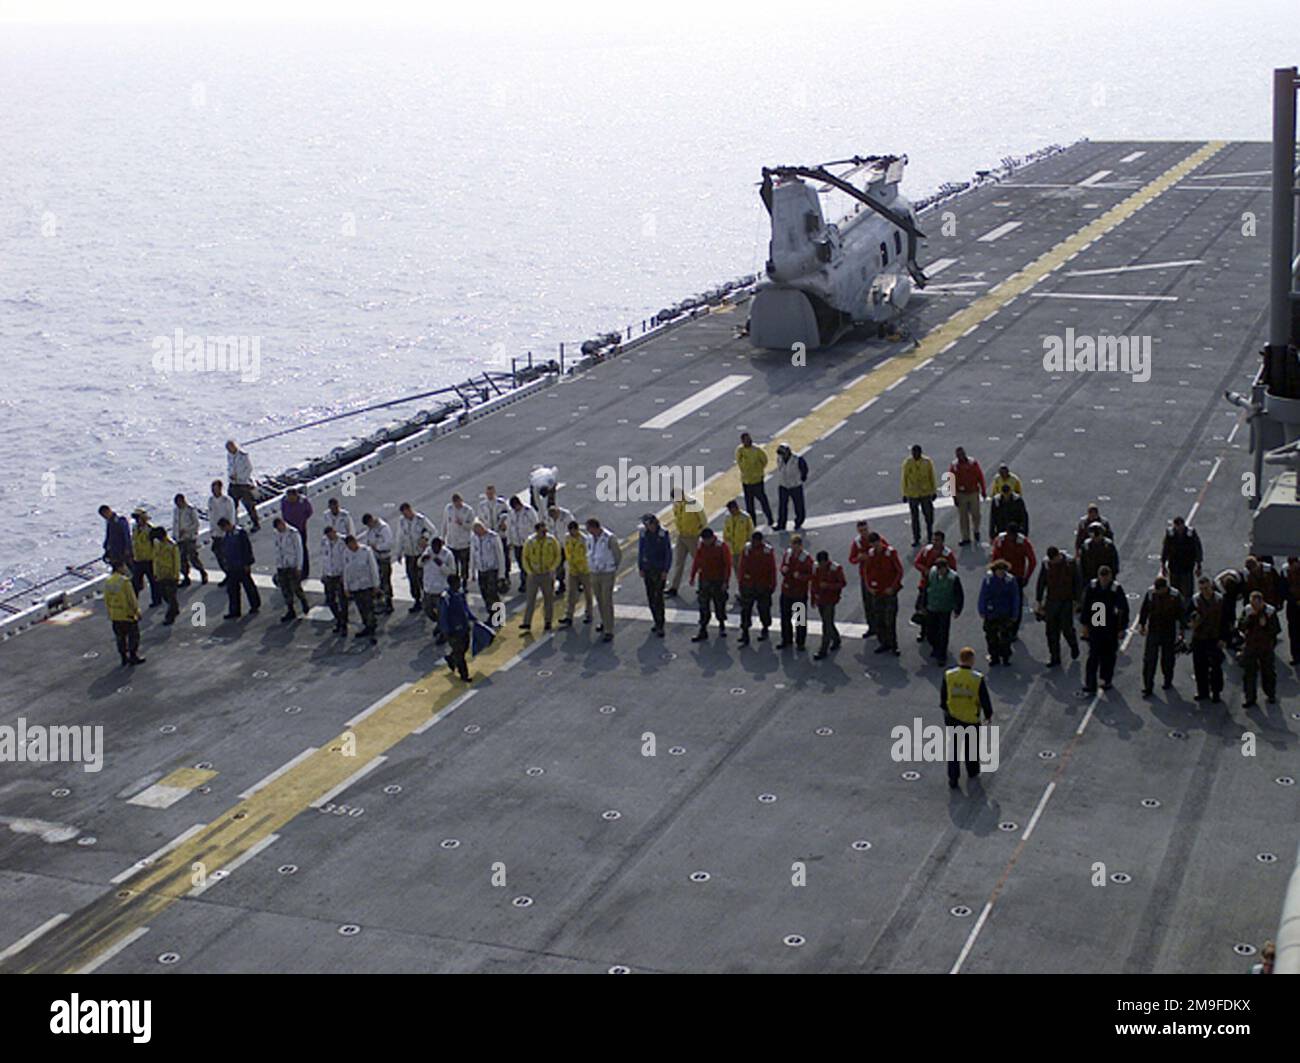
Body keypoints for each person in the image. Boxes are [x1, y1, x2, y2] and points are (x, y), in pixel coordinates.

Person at [941, 647, 994, 789]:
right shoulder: (977, 678)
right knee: (971, 747)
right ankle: (972, 771)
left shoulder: (949, 675)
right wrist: (988, 715)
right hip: (971, 718)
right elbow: (984, 699)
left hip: (953, 717)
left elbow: (943, 697)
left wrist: (947, 711)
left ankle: (953, 778)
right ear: (971, 660)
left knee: (954, 748)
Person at [1078, 565, 1128, 695]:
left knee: (1109, 655)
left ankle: (1106, 680)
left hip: (1110, 625)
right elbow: (1085, 606)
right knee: (1093, 656)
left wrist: (1122, 628)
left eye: (1106, 578)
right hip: (1096, 622)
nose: (1104, 581)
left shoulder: (1115, 588)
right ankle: (1090, 684)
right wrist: (1084, 625)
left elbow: (1123, 609)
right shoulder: (1093, 587)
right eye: (1102, 578)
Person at [1137, 576, 1185, 696]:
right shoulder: (1150, 593)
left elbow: (1182, 613)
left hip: (1169, 631)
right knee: (1149, 660)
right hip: (1154, 629)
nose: (1157, 592)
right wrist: (1142, 624)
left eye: (1160, 590)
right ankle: (1148, 686)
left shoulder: (1175, 595)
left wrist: (1182, 631)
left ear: (1165, 588)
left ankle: (1168, 680)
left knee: (1168, 659)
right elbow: (1144, 610)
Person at [1034, 546, 1080, 666]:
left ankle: (1073, 645)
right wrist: (1039, 601)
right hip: (1052, 601)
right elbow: (1041, 582)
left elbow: (1077, 582)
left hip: (1066, 601)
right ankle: (1055, 657)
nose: (1052, 562)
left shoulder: (1070, 563)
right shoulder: (1046, 564)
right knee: (1051, 631)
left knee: (1067, 628)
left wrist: (1077, 601)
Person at [991, 522, 1036, 640]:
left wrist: (1026, 577)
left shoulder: (1023, 542)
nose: (1011, 537)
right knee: (1001, 602)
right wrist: (995, 574)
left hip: (1017, 578)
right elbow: (995, 558)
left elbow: (1032, 560)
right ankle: (1002, 628)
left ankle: (1013, 630)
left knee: (1016, 604)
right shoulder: (1000, 540)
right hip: (1003, 576)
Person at [862, 532, 904, 654]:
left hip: (889, 592)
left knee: (890, 619)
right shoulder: (870, 554)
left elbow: (899, 571)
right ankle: (883, 642)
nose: (875, 546)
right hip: (877, 592)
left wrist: (893, 587)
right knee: (878, 618)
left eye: (876, 543)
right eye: (873, 544)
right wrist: (869, 586)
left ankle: (893, 644)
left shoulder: (890, 553)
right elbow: (866, 572)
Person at [1238, 590, 1281, 707]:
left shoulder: (1270, 612)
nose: (1255, 607)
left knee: (1268, 672)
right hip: (1251, 645)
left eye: (1257, 604)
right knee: (1249, 673)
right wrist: (1249, 620)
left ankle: (1270, 694)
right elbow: (1240, 626)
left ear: (1262, 602)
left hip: (1265, 646)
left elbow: (1276, 630)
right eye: (1253, 604)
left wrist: (1266, 625)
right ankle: (1250, 698)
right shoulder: (1248, 611)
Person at [1188, 575, 1227, 703]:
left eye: (1207, 588)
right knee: (1200, 667)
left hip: (1214, 638)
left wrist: (1223, 638)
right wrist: (1192, 622)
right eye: (1202, 588)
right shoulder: (1195, 600)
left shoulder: (1220, 599)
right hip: (1199, 638)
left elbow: (1226, 620)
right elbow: (1188, 617)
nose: (1205, 591)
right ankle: (1202, 691)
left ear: (1211, 586)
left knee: (1216, 667)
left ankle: (1216, 692)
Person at [913, 531, 957, 642]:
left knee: (937, 611)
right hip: (925, 584)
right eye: (933, 539)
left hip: (940, 588)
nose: (934, 542)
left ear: (942, 541)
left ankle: (935, 633)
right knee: (922, 608)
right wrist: (925, 570)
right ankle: (923, 632)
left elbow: (953, 571)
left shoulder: (947, 554)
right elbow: (917, 562)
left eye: (937, 540)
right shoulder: (927, 550)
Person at [688, 528, 732, 641]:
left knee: (720, 604)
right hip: (704, 580)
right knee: (703, 606)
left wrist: (726, 582)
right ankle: (703, 629)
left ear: (712, 537)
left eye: (707, 540)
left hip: (718, 580)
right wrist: (692, 576)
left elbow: (727, 565)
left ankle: (722, 625)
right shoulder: (701, 545)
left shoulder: (721, 546)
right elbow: (697, 561)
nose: (705, 542)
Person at [978, 559, 1020, 666]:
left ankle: (1005, 657)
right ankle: (994, 657)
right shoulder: (988, 579)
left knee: (1005, 637)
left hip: (1005, 613)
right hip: (991, 613)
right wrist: (982, 610)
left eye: (1003, 571)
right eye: (999, 571)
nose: (1001, 573)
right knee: (991, 637)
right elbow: (983, 595)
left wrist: (1015, 614)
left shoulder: (1010, 580)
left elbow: (1015, 598)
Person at [737, 530, 776, 645]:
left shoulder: (767, 551)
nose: (754, 543)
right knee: (745, 610)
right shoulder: (747, 549)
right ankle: (745, 632)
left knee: (764, 609)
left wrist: (772, 585)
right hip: (748, 585)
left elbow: (772, 569)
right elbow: (742, 567)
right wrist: (741, 582)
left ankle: (765, 628)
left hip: (763, 585)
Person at [216, 518, 260, 620]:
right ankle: (234, 610)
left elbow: (247, 548)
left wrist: (247, 563)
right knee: (232, 590)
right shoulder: (226, 536)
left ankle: (255, 605)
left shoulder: (240, 533)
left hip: (241, 564)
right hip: (232, 566)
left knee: (249, 587)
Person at [922, 556, 963, 662]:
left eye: (942, 569)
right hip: (932, 606)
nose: (940, 572)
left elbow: (959, 594)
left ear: (946, 568)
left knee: (943, 632)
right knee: (930, 632)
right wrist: (923, 604)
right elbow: (926, 588)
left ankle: (942, 655)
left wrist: (958, 609)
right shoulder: (932, 573)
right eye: (938, 569)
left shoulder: (953, 578)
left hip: (945, 608)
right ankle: (935, 647)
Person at [586, 518, 622, 641]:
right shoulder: (590, 538)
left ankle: (609, 629)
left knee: (607, 599)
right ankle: (604, 620)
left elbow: (618, 555)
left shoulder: (609, 538)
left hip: (607, 572)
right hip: (595, 572)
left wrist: (612, 566)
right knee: (599, 599)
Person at [667, 487, 706, 598]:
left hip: (693, 536)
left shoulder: (692, 502)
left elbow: (703, 519)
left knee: (699, 563)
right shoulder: (677, 504)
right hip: (682, 535)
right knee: (679, 563)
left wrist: (701, 533)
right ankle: (674, 587)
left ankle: (703, 586)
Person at [104, 560, 145, 666]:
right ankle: (133, 656)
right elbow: (131, 599)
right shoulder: (124, 581)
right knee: (133, 636)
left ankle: (123, 658)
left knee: (120, 637)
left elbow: (107, 600)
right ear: (119, 567)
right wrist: (137, 611)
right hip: (126, 614)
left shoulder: (108, 581)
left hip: (115, 614)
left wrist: (110, 612)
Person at [638, 513, 673, 637]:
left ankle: (660, 624)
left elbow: (668, 553)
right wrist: (641, 567)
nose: (647, 527)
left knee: (658, 598)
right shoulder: (643, 533)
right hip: (648, 568)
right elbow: (641, 550)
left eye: (648, 524)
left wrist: (665, 570)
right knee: (651, 597)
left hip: (658, 570)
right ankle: (655, 620)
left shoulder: (663, 534)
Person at [397, 503, 436, 611]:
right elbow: (400, 536)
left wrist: (425, 538)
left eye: (406, 513)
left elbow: (433, 531)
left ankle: (428, 601)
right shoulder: (402, 521)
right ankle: (417, 600)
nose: (405, 516)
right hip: (409, 554)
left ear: (410, 510)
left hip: (420, 554)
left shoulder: (421, 519)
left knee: (423, 578)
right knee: (412, 579)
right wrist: (398, 552)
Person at [777, 534, 813, 650]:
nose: (794, 549)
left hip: (799, 592)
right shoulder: (788, 555)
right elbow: (783, 566)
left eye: (796, 546)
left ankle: (800, 642)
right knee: (785, 617)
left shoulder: (806, 558)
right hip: (787, 590)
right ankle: (786, 639)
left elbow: (811, 575)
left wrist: (801, 577)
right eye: (793, 546)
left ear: (801, 546)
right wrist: (783, 570)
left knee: (800, 619)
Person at [342, 534, 380, 642]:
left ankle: (372, 630)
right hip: (355, 586)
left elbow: (373, 568)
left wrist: (376, 584)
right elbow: (346, 570)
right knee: (361, 608)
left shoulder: (366, 551)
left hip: (366, 585)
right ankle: (367, 625)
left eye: (351, 544)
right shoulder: (346, 553)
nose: (351, 547)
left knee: (369, 608)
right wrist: (346, 587)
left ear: (355, 542)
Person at [438, 574, 476, 682]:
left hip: (463, 626)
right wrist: (445, 630)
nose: (458, 585)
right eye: (456, 583)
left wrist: (472, 618)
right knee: (459, 652)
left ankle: (451, 658)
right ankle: (464, 674)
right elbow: (443, 615)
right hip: (453, 630)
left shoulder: (460, 594)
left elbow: (465, 608)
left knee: (464, 647)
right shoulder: (446, 597)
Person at [810, 550, 847, 659]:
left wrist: (829, 585)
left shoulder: (835, 568)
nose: (821, 565)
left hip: (831, 599)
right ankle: (836, 639)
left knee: (826, 624)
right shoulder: (816, 568)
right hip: (820, 598)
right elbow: (813, 583)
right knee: (828, 621)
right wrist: (813, 598)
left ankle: (823, 649)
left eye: (823, 563)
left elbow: (842, 583)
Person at [272, 517, 309, 622]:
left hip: (292, 565)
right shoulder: (276, 534)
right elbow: (277, 549)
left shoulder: (293, 533)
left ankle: (304, 603)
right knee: (285, 589)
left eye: (279, 527)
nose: (279, 530)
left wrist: (299, 566)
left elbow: (299, 550)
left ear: (283, 524)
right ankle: (290, 610)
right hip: (282, 565)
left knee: (296, 588)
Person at [419, 535, 456, 641]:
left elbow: (452, 572)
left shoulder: (447, 554)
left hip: (441, 589)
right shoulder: (428, 551)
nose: (435, 550)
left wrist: (441, 565)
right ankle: (440, 623)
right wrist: (422, 560)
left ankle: (444, 633)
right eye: (433, 548)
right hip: (428, 587)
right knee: (427, 610)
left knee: (442, 613)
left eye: (437, 548)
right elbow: (419, 564)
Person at [900, 443, 937, 547]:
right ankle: (916, 538)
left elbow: (932, 476)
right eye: (913, 452)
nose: (915, 454)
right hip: (913, 494)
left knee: (929, 516)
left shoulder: (927, 462)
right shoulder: (907, 463)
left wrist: (933, 491)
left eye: (917, 452)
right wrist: (904, 493)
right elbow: (904, 478)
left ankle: (930, 536)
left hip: (926, 493)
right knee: (914, 517)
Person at [949, 447, 987, 545]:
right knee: (963, 517)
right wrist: (954, 497)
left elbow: (980, 476)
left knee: (976, 514)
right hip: (961, 494)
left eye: (962, 454)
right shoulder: (954, 466)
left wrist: (983, 490)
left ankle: (976, 530)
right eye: (958, 455)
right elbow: (951, 481)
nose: (960, 456)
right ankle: (965, 537)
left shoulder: (973, 463)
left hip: (973, 492)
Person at [558, 520, 594, 627]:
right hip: (573, 569)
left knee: (588, 593)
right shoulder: (567, 538)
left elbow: (588, 553)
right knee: (571, 594)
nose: (572, 533)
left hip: (584, 569)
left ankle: (589, 614)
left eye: (574, 531)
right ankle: (569, 616)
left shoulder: (584, 539)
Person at [469, 518, 506, 619]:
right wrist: (472, 572)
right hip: (481, 570)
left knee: (492, 593)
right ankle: (491, 613)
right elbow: (473, 554)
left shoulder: (493, 537)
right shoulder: (474, 538)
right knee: (484, 593)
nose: (477, 534)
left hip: (492, 569)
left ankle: (499, 615)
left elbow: (500, 556)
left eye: (478, 531)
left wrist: (501, 574)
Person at [1160, 516, 1202, 601]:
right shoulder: (1170, 534)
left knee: (1188, 591)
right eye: (1177, 526)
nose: (1179, 529)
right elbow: (1165, 549)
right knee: (1174, 590)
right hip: (1174, 566)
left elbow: (1197, 549)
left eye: (1180, 526)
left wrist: (1199, 565)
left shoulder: (1190, 534)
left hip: (1187, 566)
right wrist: (1163, 565)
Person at [735, 432, 773, 526]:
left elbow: (764, 460)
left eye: (748, 439)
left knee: (763, 501)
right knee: (749, 505)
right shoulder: (740, 450)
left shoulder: (757, 450)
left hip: (757, 480)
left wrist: (758, 470)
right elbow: (739, 461)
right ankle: (753, 523)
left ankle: (770, 518)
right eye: (745, 440)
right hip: (746, 481)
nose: (747, 441)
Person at [360, 513, 395, 613]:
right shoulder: (370, 530)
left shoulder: (383, 528)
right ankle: (380, 602)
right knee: (376, 581)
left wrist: (377, 547)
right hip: (375, 558)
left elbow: (389, 543)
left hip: (384, 558)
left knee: (385, 581)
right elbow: (367, 540)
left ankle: (389, 603)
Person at [171, 493, 207, 586]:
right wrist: (174, 536)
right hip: (180, 538)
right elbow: (175, 524)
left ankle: (202, 572)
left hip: (189, 538)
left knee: (193, 557)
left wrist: (187, 530)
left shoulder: (190, 510)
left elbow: (196, 524)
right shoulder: (176, 511)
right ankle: (186, 577)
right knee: (182, 559)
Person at [848, 520, 875, 638]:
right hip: (865, 575)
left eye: (865, 530)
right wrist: (858, 558)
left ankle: (881, 627)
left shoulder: (875, 539)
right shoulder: (857, 542)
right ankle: (872, 626)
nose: (863, 533)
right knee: (867, 603)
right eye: (861, 531)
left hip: (876, 575)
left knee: (878, 603)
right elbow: (851, 559)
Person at [506, 496, 539, 594]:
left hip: (528, 543)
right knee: (521, 564)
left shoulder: (528, 511)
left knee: (530, 564)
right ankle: (525, 582)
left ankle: (532, 582)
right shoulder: (511, 514)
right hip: (517, 543)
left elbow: (536, 524)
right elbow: (509, 528)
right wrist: (510, 541)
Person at [319, 526, 349, 635]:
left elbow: (347, 559)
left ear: (335, 532)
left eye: (331, 534)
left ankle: (344, 624)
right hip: (329, 574)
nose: (329, 537)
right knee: (330, 600)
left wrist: (345, 575)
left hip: (340, 575)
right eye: (327, 535)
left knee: (342, 601)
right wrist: (323, 573)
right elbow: (324, 557)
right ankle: (339, 619)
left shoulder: (343, 541)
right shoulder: (324, 541)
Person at [149, 526, 182, 625]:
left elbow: (176, 562)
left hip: (170, 574)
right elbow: (156, 559)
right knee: (164, 595)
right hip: (161, 574)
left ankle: (170, 616)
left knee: (171, 596)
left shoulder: (172, 545)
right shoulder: (157, 544)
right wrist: (155, 573)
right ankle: (174, 608)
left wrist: (176, 575)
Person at [225, 439, 260, 531]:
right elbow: (230, 468)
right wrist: (231, 477)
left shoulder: (243, 455)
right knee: (232, 506)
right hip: (233, 484)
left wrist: (240, 478)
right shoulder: (229, 456)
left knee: (249, 505)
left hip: (243, 484)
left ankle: (256, 523)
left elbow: (248, 469)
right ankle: (234, 524)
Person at [479, 485, 511, 582]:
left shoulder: (501, 503)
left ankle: (506, 575)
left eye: (491, 493)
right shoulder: (482, 505)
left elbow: (508, 516)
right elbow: (481, 519)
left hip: (500, 534)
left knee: (504, 555)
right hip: (488, 535)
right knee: (492, 556)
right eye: (488, 493)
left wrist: (504, 524)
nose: (489, 495)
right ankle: (495, 576)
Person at [130, 509, 162, 608]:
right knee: (135, 583)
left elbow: (156, 545)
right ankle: (133, 602)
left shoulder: (150, 530)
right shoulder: (135, 528)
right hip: (138, 559)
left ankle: (157, 600)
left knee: (153, 581)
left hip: (149, 559)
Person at [774, 443, 809, 531]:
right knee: (782, 506)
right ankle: (781, 524)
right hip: (783, 485)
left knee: (798, 506)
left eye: (783, 453)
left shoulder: (797, 459)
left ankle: (798, 522)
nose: (781, 455)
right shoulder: (779, 458)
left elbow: (804, 469)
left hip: (795, 485)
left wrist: (801, 479)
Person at [280, 487, 313, 579]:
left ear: (296, 495)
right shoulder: (284, 501)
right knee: (290, 550)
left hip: (300, 528)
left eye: (291, 497)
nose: (290, 499)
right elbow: (283, 512)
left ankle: (304, 571)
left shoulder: (303, 501)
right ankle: (293, 571)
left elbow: (309, 512)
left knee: (302, 550)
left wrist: (302, 520)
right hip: (289, 530)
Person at [207, 481, 235, 583]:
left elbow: (231, 516)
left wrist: (229, 529)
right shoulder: (210, 501)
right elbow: (211, 516)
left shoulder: (227, 501)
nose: (214, 491)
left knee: (227, 555)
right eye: (212, 489)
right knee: (218, 555)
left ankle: (231, 575)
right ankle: (227, 573)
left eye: (215, 488)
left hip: (225, 532)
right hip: (215, 533)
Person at [443, 494, 475, 583]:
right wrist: (443, 536)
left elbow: (472, 526)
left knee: (464, 565)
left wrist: (463, 523)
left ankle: (464, 582)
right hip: (452, 543)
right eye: (455, 503)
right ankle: (455, 584)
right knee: (453, 566)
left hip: (464, 543)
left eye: (458, 503)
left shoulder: (468, 510)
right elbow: (445, 523)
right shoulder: (448, 509)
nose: (457, 505)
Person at [544, 501, 575, 595]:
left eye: (554, 516)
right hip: (556, 545)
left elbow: (572, 528)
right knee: (559, 565)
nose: (553, 518)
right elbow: (547, 529)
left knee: (573, 564)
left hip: (567, 543)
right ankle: (561, 584)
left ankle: (579, 583)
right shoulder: (548, 517)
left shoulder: (567, 516)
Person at [722, 499, 754, 589]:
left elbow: (750, 532)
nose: (731, 512)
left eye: (732, 510)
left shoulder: (745, 517)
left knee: (744, 569)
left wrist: (749, 546)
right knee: (736, 569)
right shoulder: (728, 517)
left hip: (743, 548)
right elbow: (725, 532)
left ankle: (746, 585)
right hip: (732, 549)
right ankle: (741, 586)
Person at [1078, 522, 1120, 588]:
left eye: (1098, 534)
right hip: (1090, 576)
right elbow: (1082, 563)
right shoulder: (1086, 546)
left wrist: (1112, 575)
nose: (1096, 537)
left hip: (1105, 577)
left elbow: (1114, 560)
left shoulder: (1108, 545)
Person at [1283, 556, 1300, 666]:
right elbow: (1283, 589)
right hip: (1293, 605)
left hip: (1293, 604)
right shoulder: (1286, 572)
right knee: (1293, 631)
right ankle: (1296, 656)